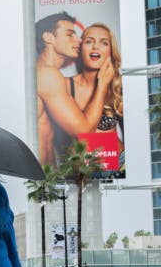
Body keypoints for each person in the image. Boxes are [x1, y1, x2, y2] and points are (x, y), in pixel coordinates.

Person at [35, 11, 114, 167]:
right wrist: (102, 85)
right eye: (70, 34)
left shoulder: (47, 74)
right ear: (48, 38)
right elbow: (83, 134)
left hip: (48, 181)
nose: (78, 40)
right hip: (40, 182)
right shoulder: (47, 74)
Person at [68, 22, 124, 174]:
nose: (96, 47)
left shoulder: (118, 87)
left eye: (104, 43)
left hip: (117, 163)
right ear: (81, 50)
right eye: (89, 41)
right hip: (82, 167)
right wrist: (102, 85)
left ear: (111, 52)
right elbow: (81, 132)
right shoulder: (66, 85)